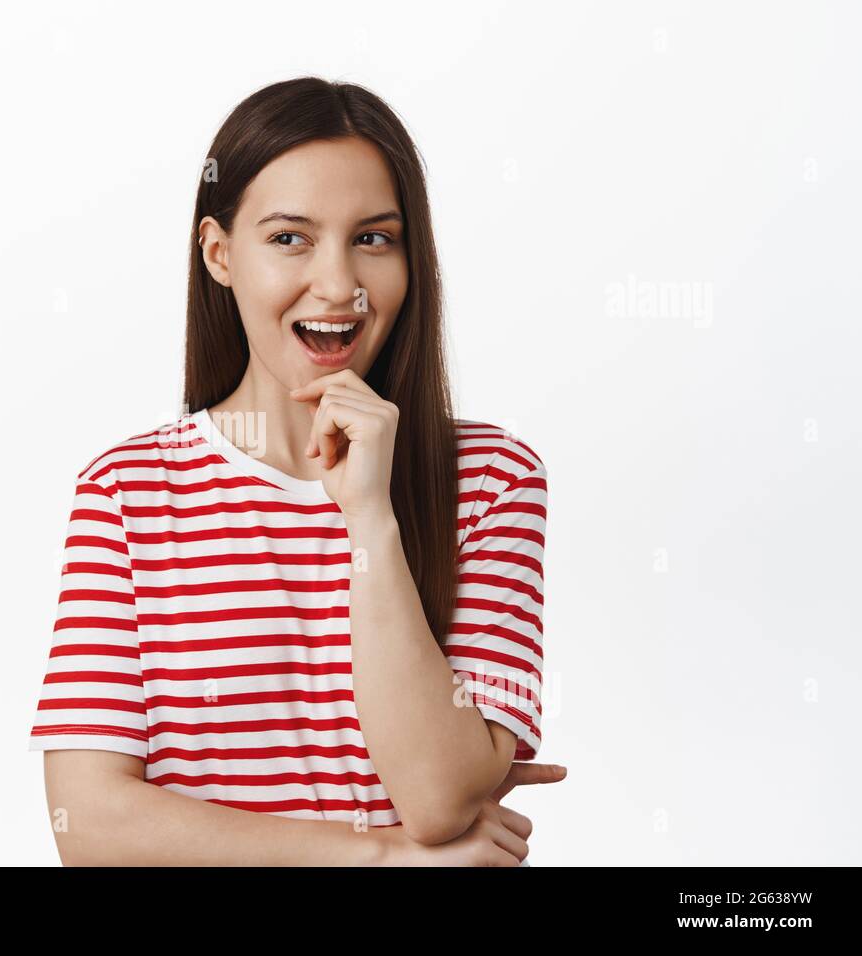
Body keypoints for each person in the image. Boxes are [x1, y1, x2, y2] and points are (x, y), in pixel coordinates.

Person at [28, 76, 566, 866]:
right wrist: (384, 858)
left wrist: (371, 520)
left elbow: (438, 792)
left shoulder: (492, 479)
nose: (339, 285)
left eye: (374, 238)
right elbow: (91, 824)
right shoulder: (127, 491)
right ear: (219, 254)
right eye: (290, 238)